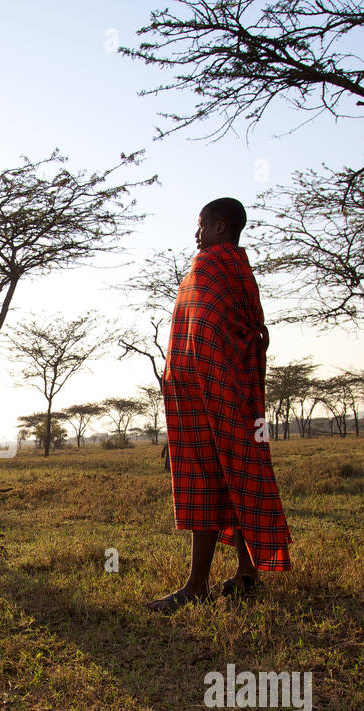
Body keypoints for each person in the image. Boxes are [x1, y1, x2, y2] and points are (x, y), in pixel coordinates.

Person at [146, 198, 291, 612]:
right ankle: (247, 573)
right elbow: (247, 330)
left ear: (221, 226)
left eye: (201, 226)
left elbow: (207, 333)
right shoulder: (241, 270)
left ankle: (196, 586)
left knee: (207, 478)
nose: (196, 235)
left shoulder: (209, 266)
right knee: (238, 474)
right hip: (235, 390)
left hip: (206, 394)